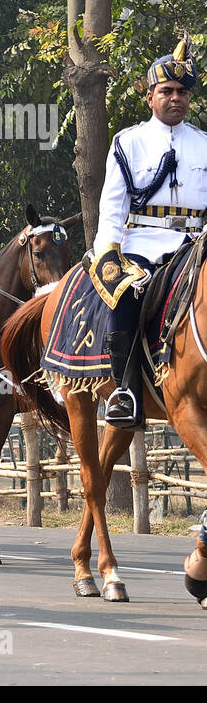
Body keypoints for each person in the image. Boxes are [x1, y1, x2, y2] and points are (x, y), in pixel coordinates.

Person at [90, 36, 207, 428]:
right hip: (143, 243)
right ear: (150, 97)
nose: (175, 98)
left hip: (195, 243)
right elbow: (113, 206)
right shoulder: (129, 142)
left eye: (182, 92)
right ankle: (125, 393)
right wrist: (109, 251)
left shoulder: (204, 144)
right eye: (166, 91)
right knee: (125, 296)